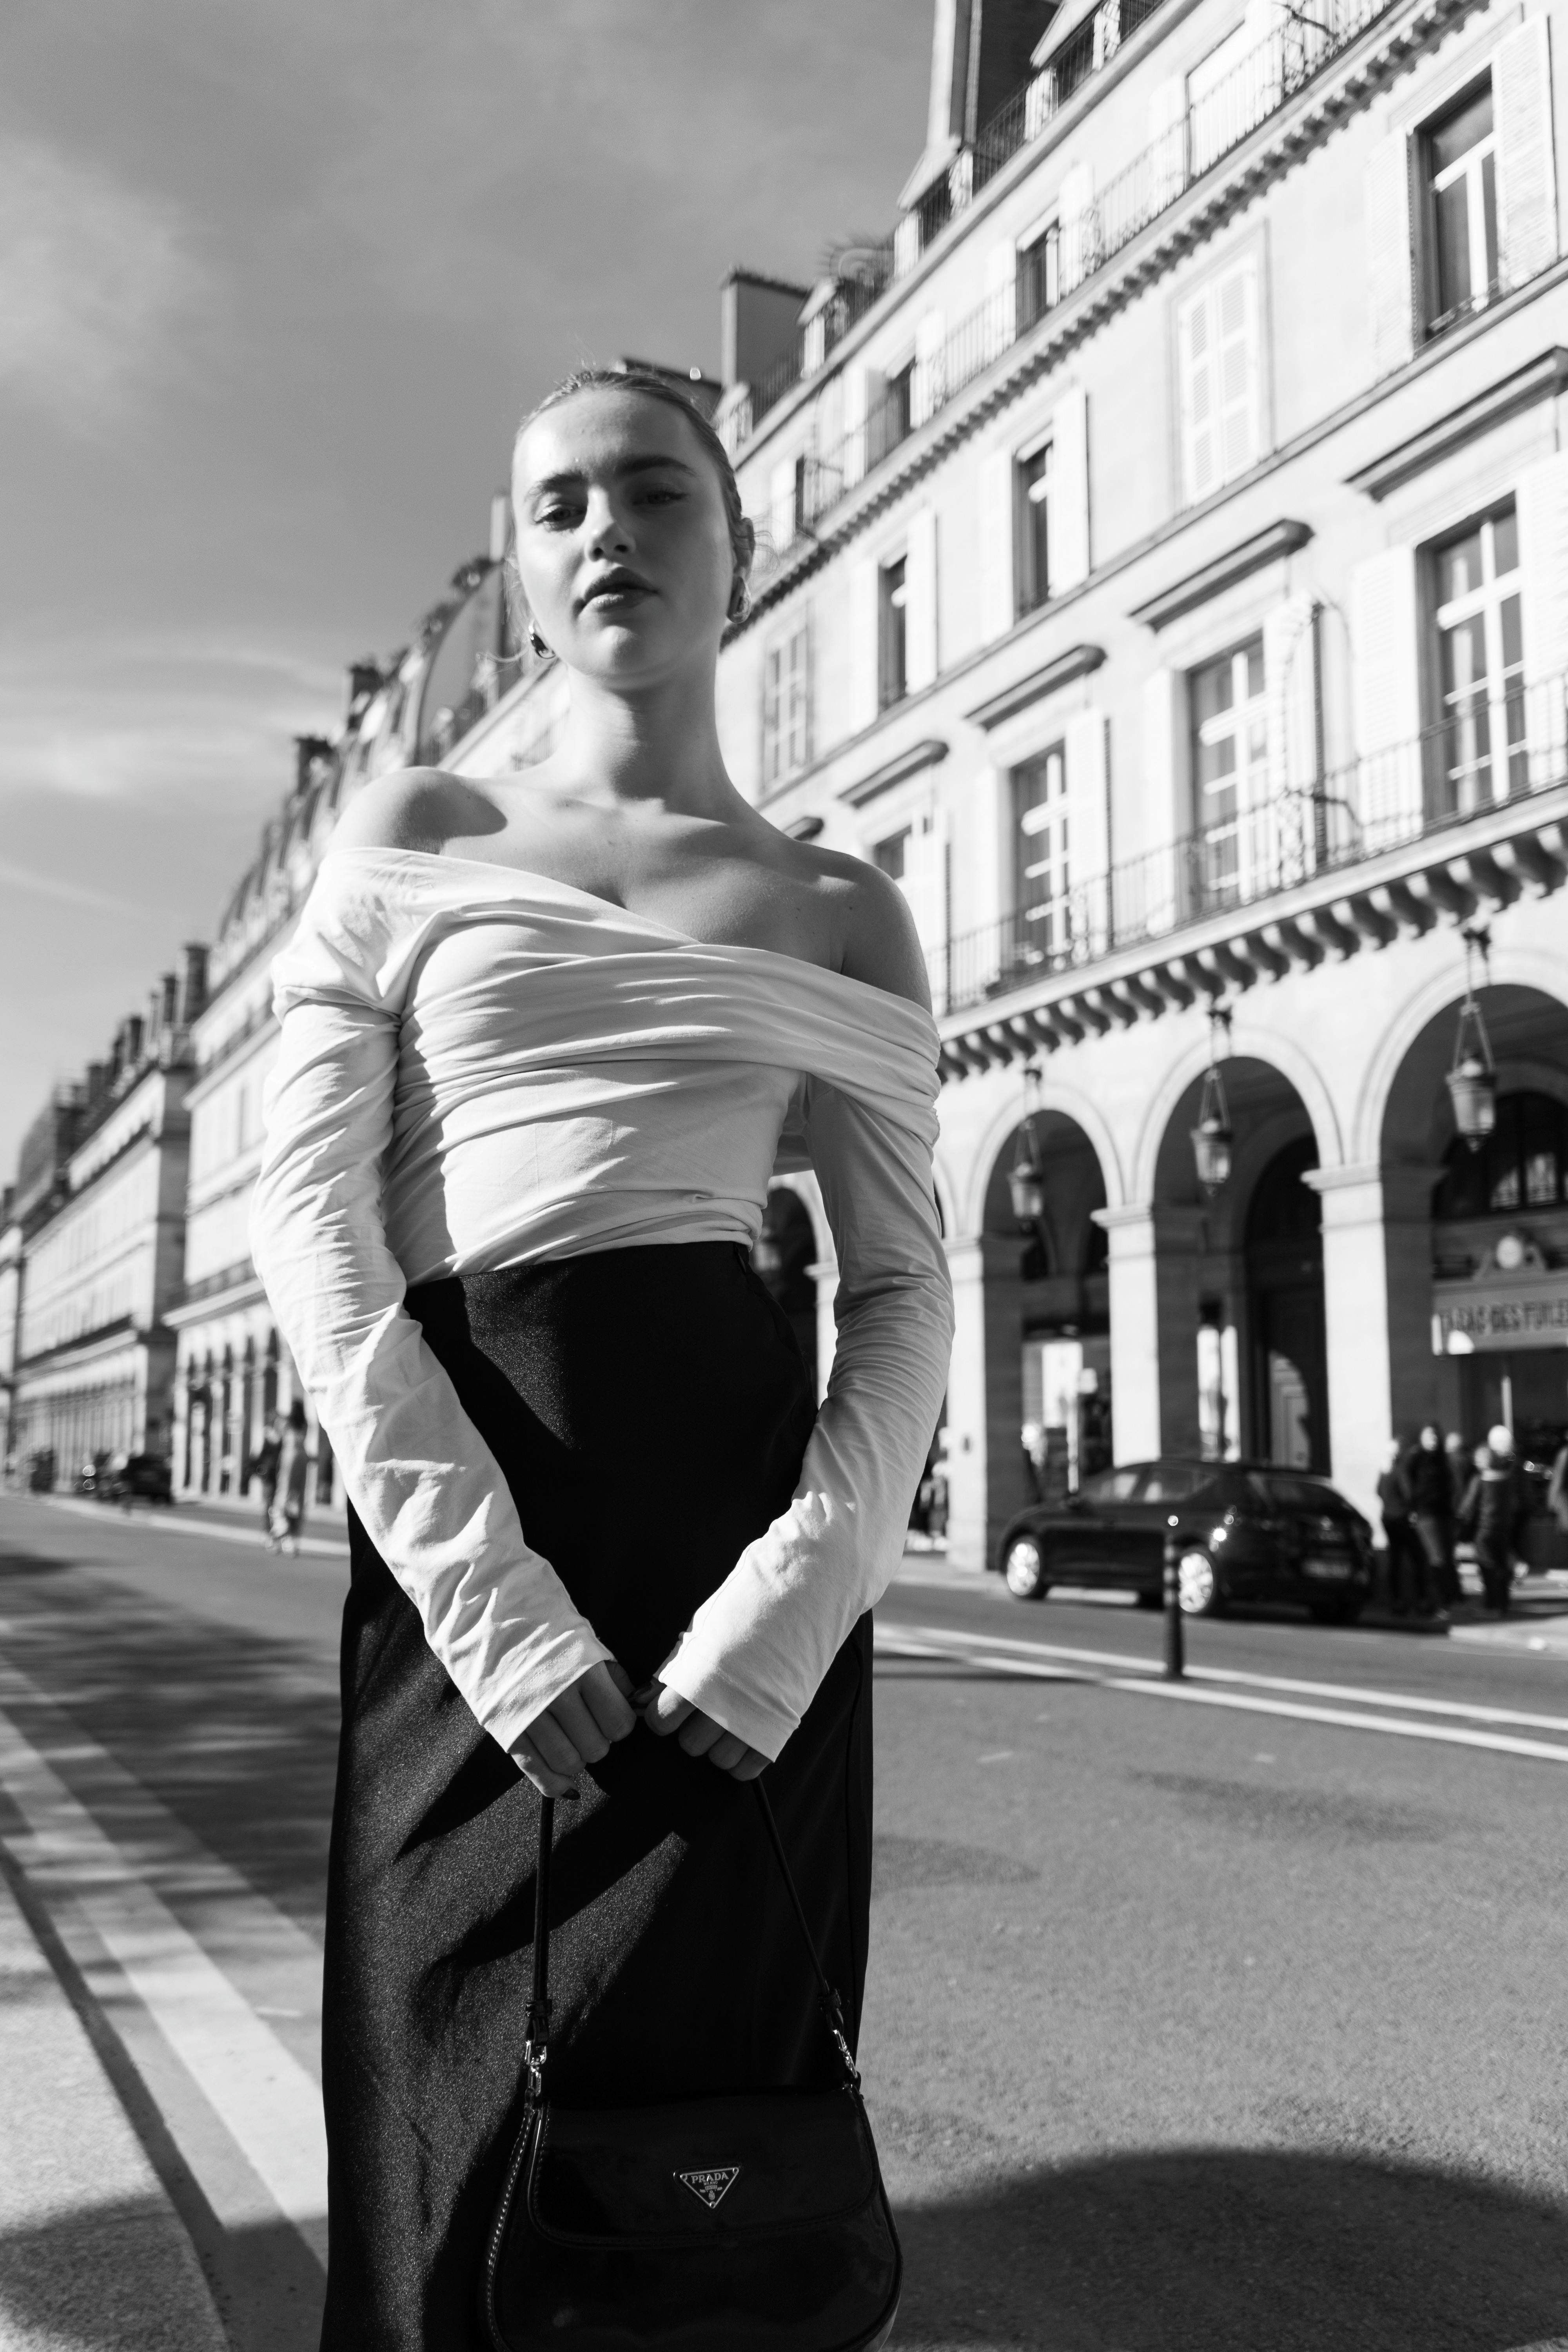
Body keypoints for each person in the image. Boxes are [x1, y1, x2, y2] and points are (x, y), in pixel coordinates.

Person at [250, 368, 954, 2349]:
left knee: (716, 2180)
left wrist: (798, 1604)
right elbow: (306, 1231)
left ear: (741, 546)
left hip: (745, 1584)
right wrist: (491, 1606)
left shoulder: (840, 909)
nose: (600, 531)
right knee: (449, 2148)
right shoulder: (422, 824)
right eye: (554, 506)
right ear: (524, 569)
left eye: (652, 492)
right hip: (475, 1550)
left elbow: (901, 1288)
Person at [1460, 1425, 1530, 1613]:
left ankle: (1493, 1602)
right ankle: (1503, 1601)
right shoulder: (1507, 1478)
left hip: (1485, 1529)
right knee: (1501, 1565)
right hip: (1505, 1527)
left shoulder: (1481, 1481)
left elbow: (1468, 1507)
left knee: (1487, 1566)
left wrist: (1462, 1524)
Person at [1402, 1422, 1457, 1615]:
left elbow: (1450, 1486)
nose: (1433, 1440)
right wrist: (1412, 1508)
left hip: (1444, 1513)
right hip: (1426, 1514)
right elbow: (1408, 1484)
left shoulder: (1442, 1459)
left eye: (1435, 1436)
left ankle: (1445, 1600)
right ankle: (1437, 1602)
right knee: (1437, 1558)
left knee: (1446, 1558)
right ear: (1422, 1439)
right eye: (1429, 1436)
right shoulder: (1416, 1459)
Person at [1376, 1439, 1419, 1617]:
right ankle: (1414, 1600)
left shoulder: (1384, 1471)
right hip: (1402, 1519)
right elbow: (1409, 1493)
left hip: (1388, 1517)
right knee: (1414, 1558)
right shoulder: (1401, 1471)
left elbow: (1378, 1492)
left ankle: (1395, 1599)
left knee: (1395, 1559)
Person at [270, 1399, 309, 1557]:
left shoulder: (286, 1422)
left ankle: (280, 1529)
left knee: (284, 1492)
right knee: (298, 1494)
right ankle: (291, 1533)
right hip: (303, 1456)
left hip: (290, 1456)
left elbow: (275, 1438)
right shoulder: (304, 1423)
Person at [253, 1413, 284, 1546]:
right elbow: (258, 1454)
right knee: (268, 1504)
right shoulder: (266, 1434)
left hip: (280, 1473)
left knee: (277, 1504)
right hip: (269, 1474)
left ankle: (278, 1531)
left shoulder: (282, 1436)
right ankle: (268, 1532)